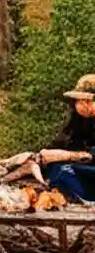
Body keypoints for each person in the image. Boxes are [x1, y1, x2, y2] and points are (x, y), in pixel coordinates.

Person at [38, 74, 95, 203]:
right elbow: (63, 140)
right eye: (79, 101)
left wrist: (72, 155)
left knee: (66, 171)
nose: (83, 105)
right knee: (57, 168)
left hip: (88, 164)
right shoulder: (78, 118)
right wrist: (47, 154)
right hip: (83, 163)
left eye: (88, 101)